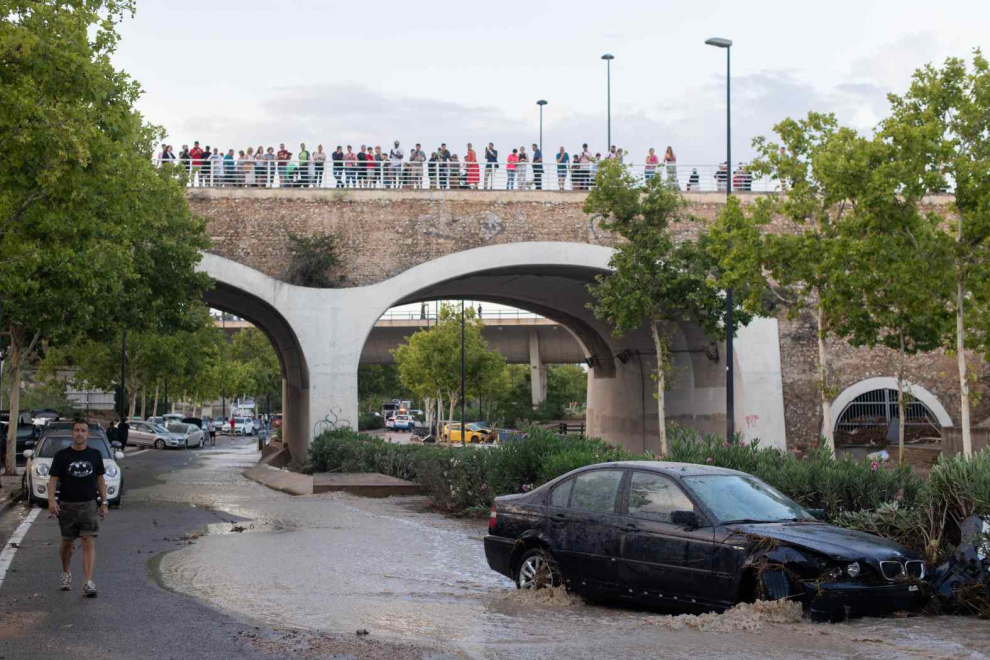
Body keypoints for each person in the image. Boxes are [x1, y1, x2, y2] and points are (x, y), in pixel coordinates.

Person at [49, 419, 107, 597]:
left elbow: (100, 480)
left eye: (83, 430)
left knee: (88, 541)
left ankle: (88, 581)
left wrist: (104, 503)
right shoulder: (61, 455)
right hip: (66, 506)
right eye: (76, 430)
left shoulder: (95, 455)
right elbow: (52, 480)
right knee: (67, 543)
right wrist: (52, 500)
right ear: (72, 434)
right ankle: (66, 572)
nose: (79, 433)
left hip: (89, 505)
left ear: (88, 434)